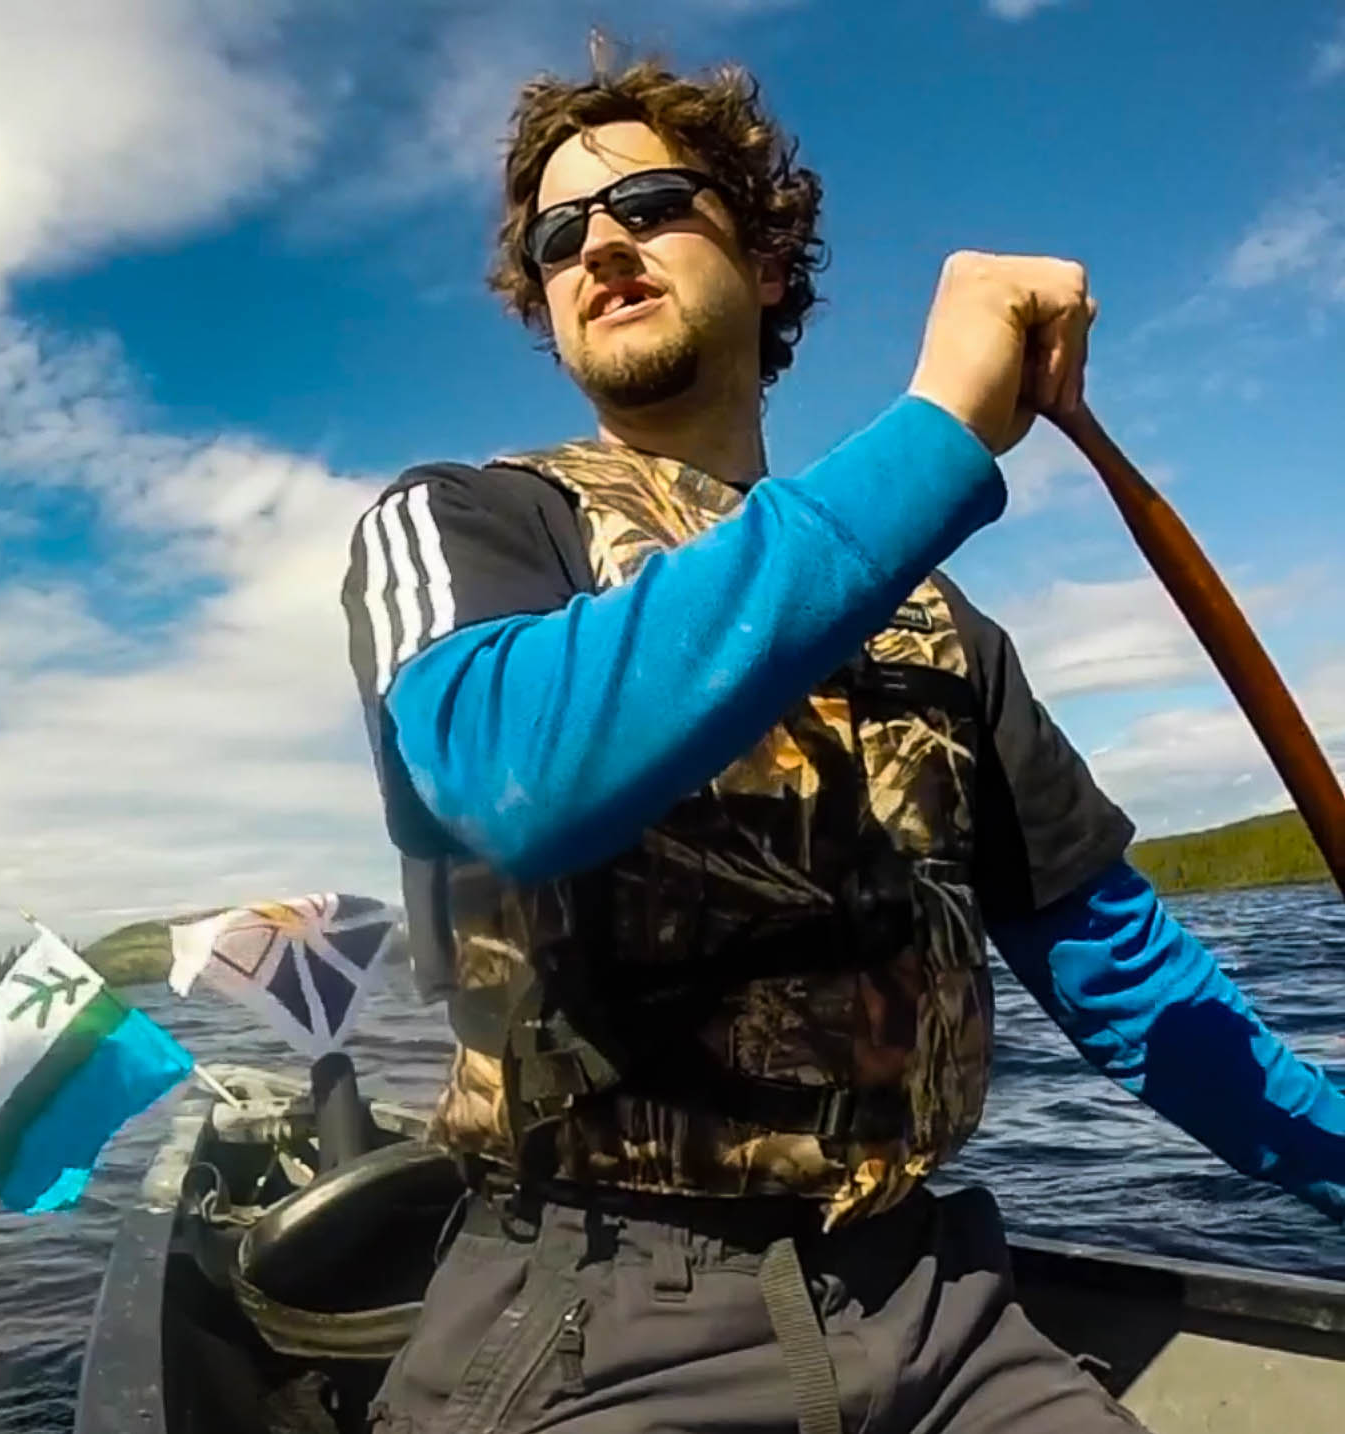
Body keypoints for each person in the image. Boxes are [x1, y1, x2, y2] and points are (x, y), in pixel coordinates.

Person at [339, 43, 1345, 1434]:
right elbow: (513, 774)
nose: (600, 246)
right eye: (560, 237)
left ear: (765, 262)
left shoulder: (940, 631)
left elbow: (1127, 976)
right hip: (590, 1311)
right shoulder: (465, 524)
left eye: (652, 205)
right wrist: (939, 429)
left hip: (930, 1295)